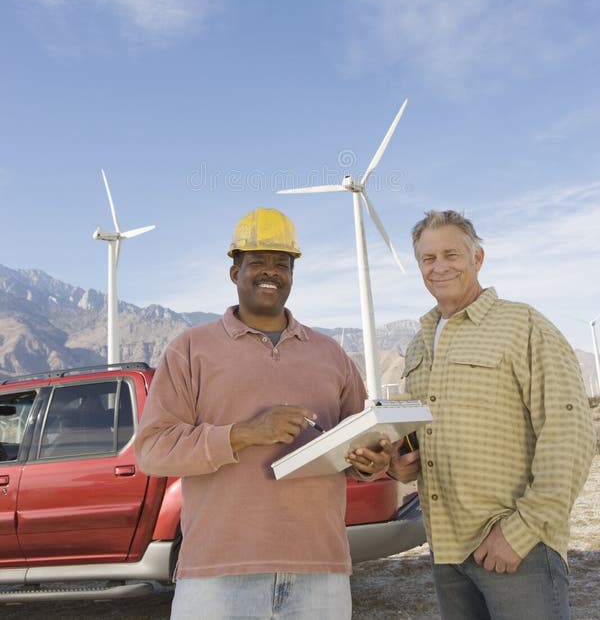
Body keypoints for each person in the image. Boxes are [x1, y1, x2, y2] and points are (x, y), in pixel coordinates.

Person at [135, 207, 389, 620]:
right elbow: (153, 451)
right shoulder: (189, 350)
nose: (271, 272)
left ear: (292, 273)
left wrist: (370, 463)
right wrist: (243, 433)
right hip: (217, 575)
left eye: (281, 263)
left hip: (319, 571)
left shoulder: (331, 355)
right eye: (257, 262)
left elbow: (358, 444)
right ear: (234, 273)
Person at [388, 210, 595, 620]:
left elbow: (569, 432)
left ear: (477, 258)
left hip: (519, 549)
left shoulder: (523, 325)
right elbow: (414, 436)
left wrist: (521, 533)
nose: (440, 266)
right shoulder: (416, 346)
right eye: (428, 259)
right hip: (447, 551)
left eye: (452, 254)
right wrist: (399, 463)